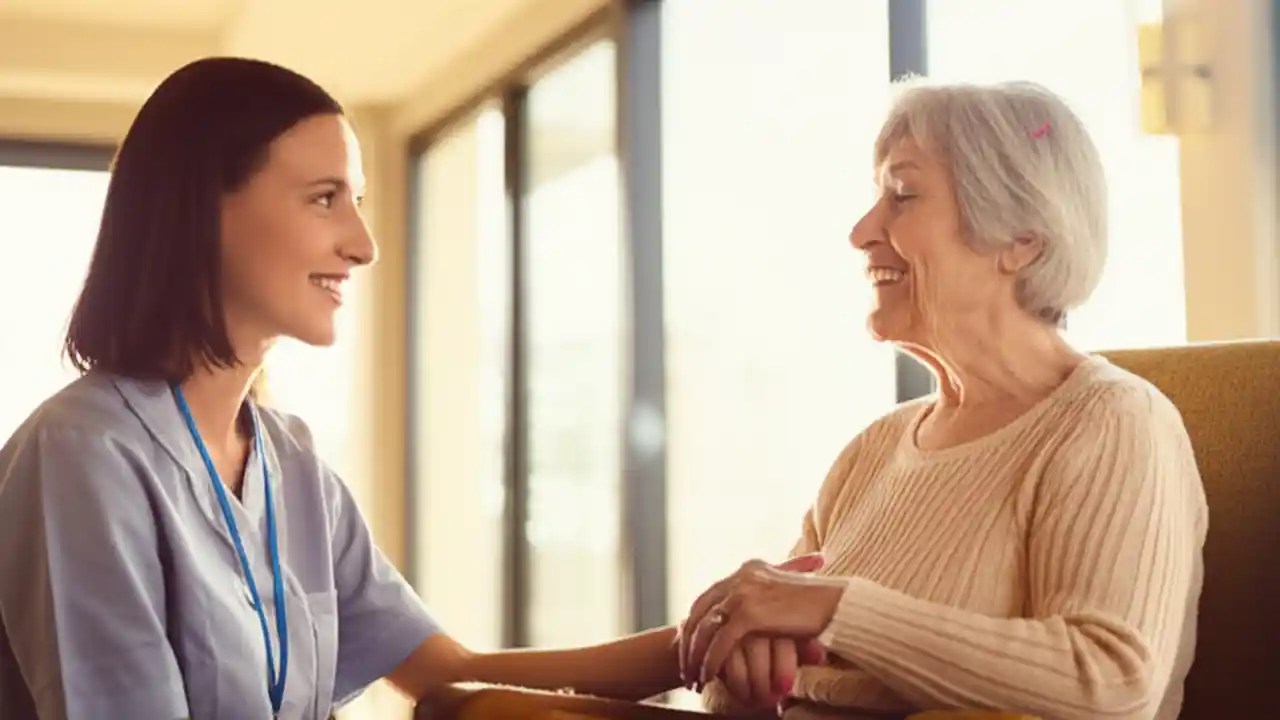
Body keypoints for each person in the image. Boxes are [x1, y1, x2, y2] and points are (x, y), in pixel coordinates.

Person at [0, 56, 817, 719]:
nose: (363, 244)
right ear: (200, 211)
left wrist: (707, 637)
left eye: (357, 201)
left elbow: (444, 671)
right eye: (326, 199)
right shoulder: (82, 455)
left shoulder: (292, 460)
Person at [676, 80, 1208, 720]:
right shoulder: (870, 452)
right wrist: (745, 676)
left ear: (1022, 240)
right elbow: (753, 649)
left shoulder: (1113, 420)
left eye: (902, 196)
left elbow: (1111, 683)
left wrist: (836, 607)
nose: (861, 232)